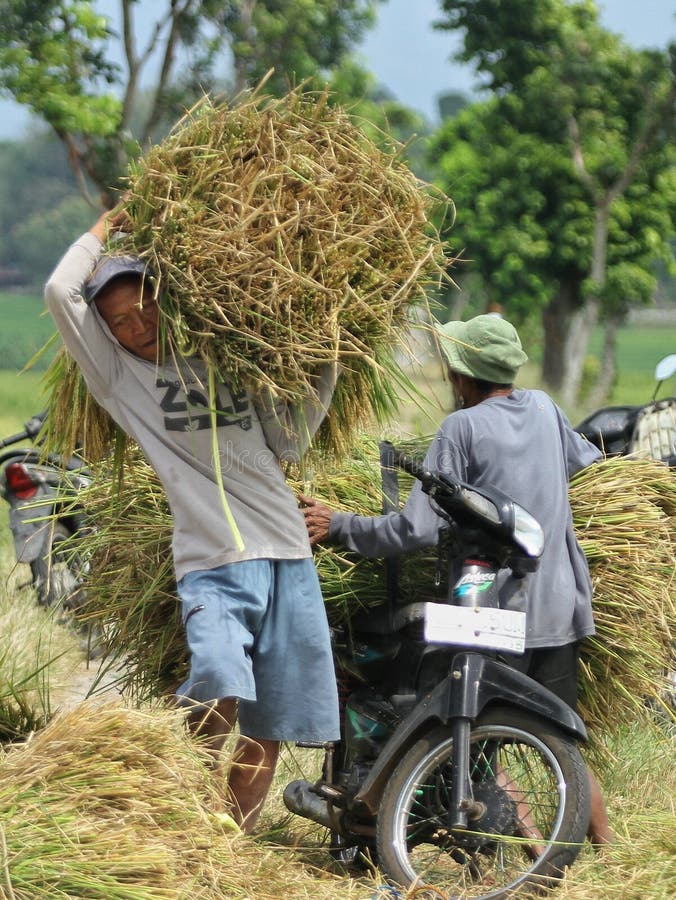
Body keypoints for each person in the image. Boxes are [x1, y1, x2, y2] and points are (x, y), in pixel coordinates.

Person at [45, 207, 340, 833]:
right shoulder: (120, 380)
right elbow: (58, 291)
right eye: (118, 321)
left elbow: (286, 442)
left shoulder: (224, 355)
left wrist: (328, 356)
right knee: (218, 683)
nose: (136, 325)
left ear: (165, 299)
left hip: (287, 552)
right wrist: (102, 231)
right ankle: (190, 813)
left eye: (144, 307)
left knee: (272, 714)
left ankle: (231, 838)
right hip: (210, 562)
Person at [301, 313, 613, 848]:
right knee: (559, 734)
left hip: (494, 617)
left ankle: (530, 846)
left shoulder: (460, 428)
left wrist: (339, 526)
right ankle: (606, 849)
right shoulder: (544, 408)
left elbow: (416, 528)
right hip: (560, 609)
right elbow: (587, 465)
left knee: (464, 726)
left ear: (464, 378)